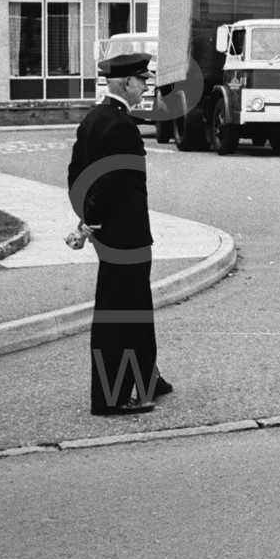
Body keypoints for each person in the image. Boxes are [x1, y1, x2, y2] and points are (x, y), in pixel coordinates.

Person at [67, 52, 171, 416]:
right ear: (126, 83)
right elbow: (113, 183)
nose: (145, 87)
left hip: (110, 232)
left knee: (137, 306)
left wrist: (85, 219)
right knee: (122, 314)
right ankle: (110, 397)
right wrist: (93, 220)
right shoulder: (121, 126)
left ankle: (148, 379)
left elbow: (77, 176)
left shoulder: (94, 119)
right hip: (125, 235)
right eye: (142, 80)